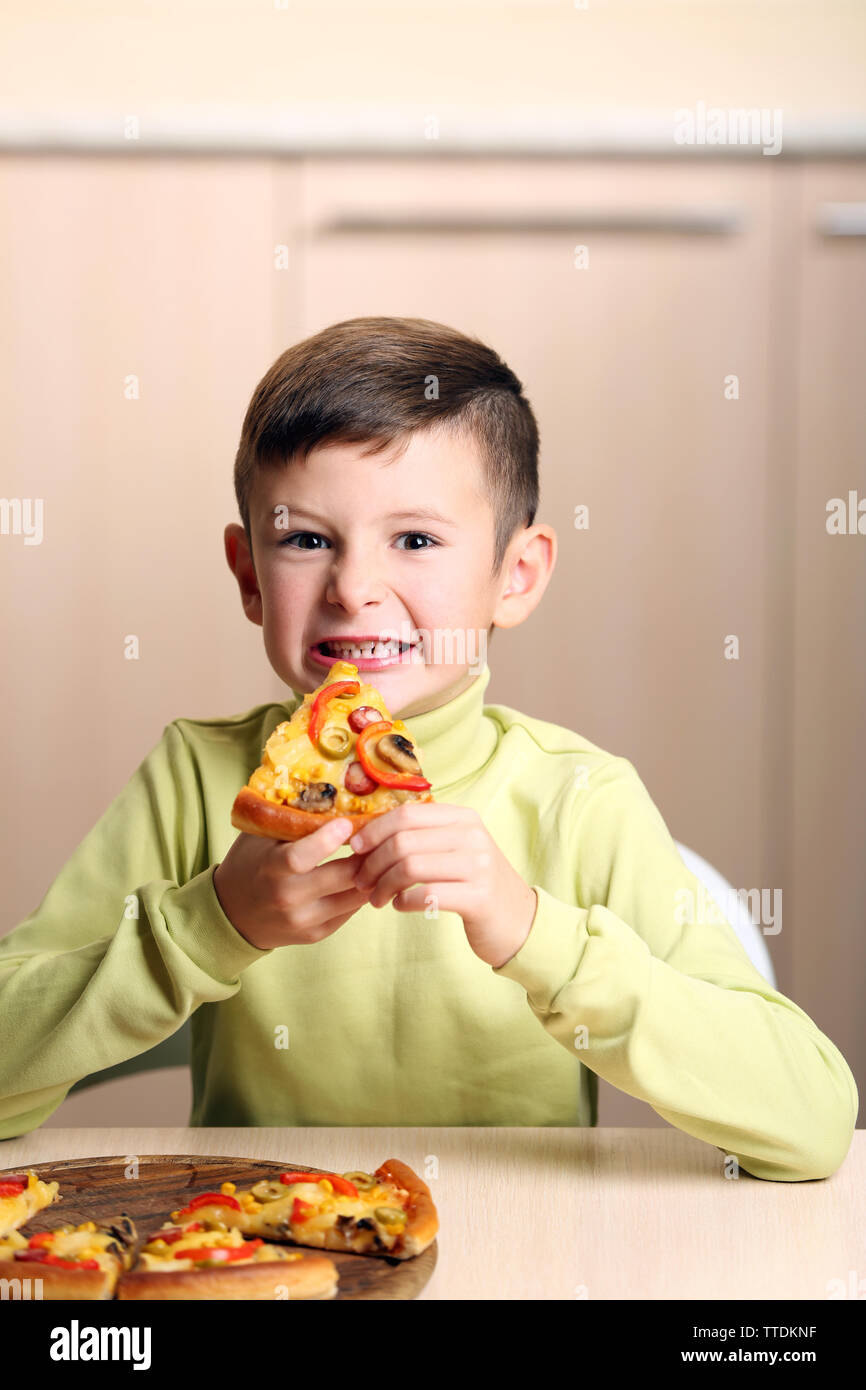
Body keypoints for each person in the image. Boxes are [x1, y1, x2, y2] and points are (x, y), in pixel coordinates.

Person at [0, 316, 857, 1181]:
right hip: (267, 1251)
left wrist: (534, 933)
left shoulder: (581, 798)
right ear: (249, 576)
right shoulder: (194, 779)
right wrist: (213, 924)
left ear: (514, 576)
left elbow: (812, 1123)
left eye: (414, 540)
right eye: (305, 539)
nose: (354, 589)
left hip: (533, 1252)